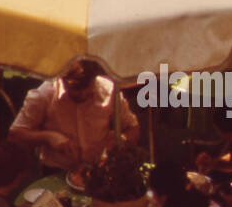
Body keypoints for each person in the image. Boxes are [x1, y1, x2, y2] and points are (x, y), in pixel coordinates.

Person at [9, 58, 140, 172]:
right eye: (75, 90)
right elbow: (15, 135)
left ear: (95, 79)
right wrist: (49, 137)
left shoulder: (109, 91)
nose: (82, 95)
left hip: (99, 168)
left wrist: (120, 141)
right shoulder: (44, 95)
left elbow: (133, 128)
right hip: (56, 170)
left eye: (87, 88)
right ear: (61, 79)